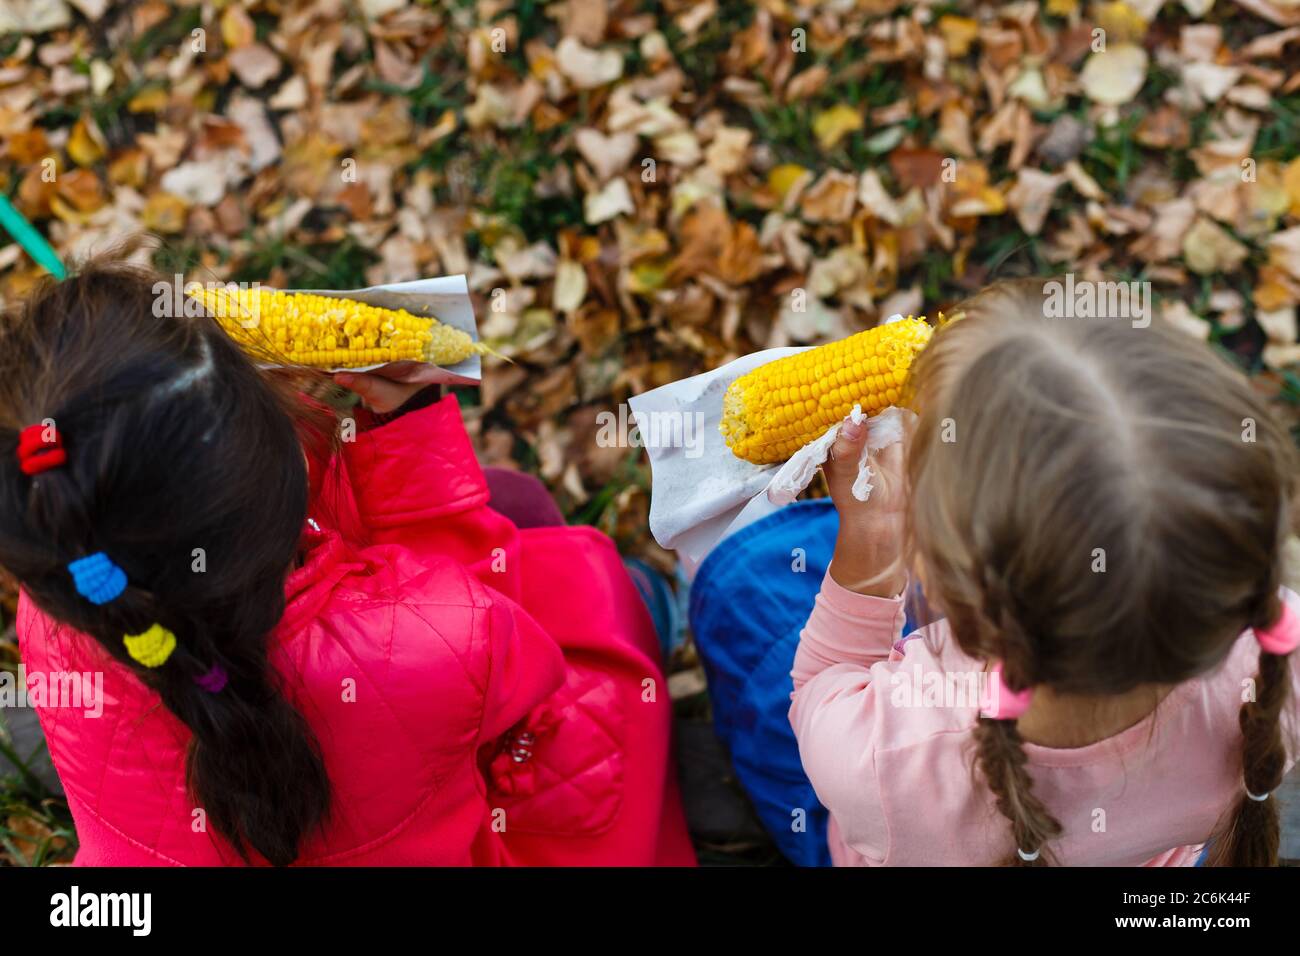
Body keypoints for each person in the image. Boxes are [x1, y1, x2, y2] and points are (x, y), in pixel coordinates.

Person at [0, 256, 695, 866]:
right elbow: (487, 631)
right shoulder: (441, 646)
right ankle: (653, 608)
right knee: (573, 564)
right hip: (459, 746)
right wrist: (408, 418)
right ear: (270, 476)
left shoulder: (66, 592)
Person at [691, 278, 1299, 865]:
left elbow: (820, 690)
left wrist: (873, 543)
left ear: (928, 563)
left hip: (876, 830)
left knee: (744, 578)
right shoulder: (1277, 674)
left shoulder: (888, 757)